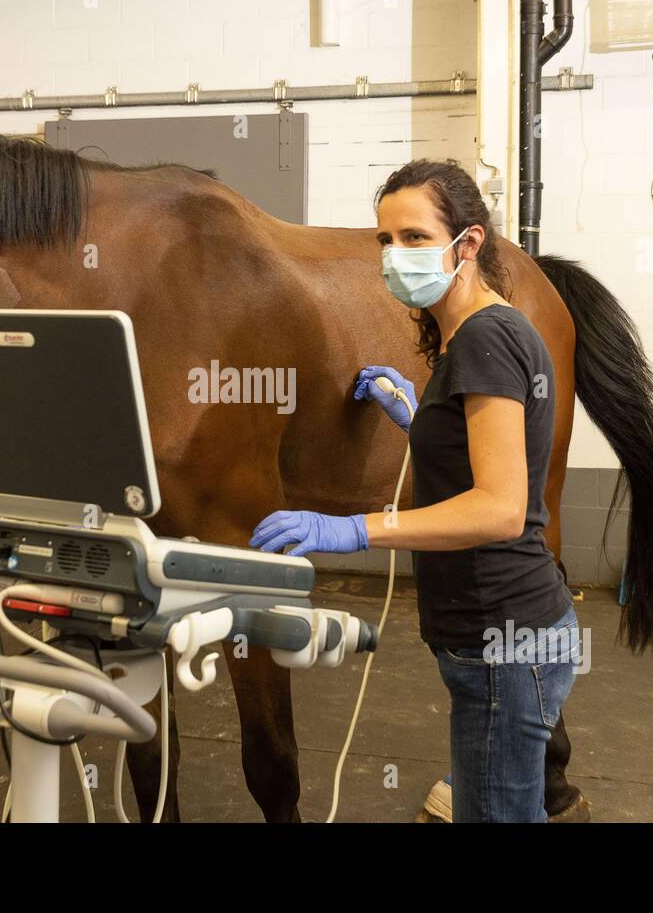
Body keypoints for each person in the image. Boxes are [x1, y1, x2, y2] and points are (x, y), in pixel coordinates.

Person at [249, 159, 580, 822]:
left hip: (502, 639)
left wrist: (353, 528)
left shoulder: (487, 338)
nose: (394, 256)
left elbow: (500, 506)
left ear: (469, 244)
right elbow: (481, 444)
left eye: (415, 238)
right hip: (492, 637)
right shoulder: (476, 333)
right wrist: (418, 414)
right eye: (384, 241)